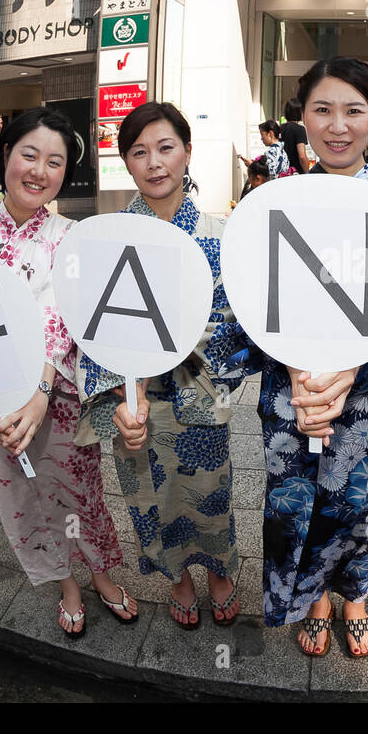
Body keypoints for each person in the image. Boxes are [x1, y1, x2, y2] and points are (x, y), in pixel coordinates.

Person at [239, 57, 368, 659]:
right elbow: (251, 295)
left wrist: (349, 364)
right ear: (302, 117)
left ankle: (354, 596)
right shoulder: (276, 197)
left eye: (354, 110)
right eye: (322, 110)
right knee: (296, 498)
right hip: (293, 392)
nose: (337, 125)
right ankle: (314, 599)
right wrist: (303, 372)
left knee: (367, 504)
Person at [0, 108, 130, 637]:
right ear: (6, 157)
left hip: (59, 393)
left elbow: (59, 312)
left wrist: (43, 388)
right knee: (25, 496)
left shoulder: (71, 234)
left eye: (55, 162)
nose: (39, 171)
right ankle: (66, 582)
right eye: (29, 155)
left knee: (81, 492)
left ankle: (100, 572)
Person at [80, 101, 250, 630]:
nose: (154, 163)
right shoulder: (108, 236)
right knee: (146, 493)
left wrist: (188, 356)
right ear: (126, 164)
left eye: (165, 147)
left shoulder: (221, 233)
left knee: (209, 490)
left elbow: (234, 324)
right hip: (134, 401)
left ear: (188, 152)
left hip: (198, 392)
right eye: (139, 152)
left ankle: (219, 572)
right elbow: (92, 325)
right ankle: (176, 577)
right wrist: (116, 398)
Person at [279, 98, 309, 174]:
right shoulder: (299, 129)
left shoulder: (279, 128)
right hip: (295, 173)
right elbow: (302, 156)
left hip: (282, 174)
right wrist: (307, 173)